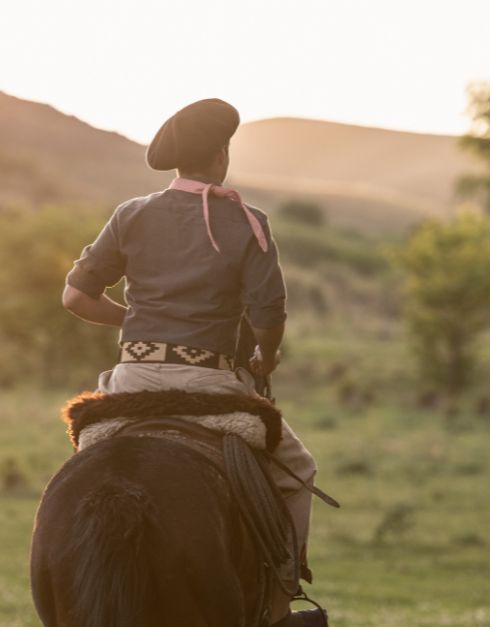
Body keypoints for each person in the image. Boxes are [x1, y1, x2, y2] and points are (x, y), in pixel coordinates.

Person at [61, 98, 324, 627]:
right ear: (222, 154)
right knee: (299, 470)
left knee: (83, 470)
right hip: (209, 379)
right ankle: (282, 597)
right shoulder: (247, 222)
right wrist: (264, 357)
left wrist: (134, 322)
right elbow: (269, 313)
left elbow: (75, 297)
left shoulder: (131, 214)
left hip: (131, 377)